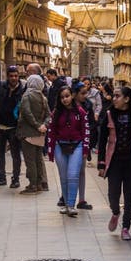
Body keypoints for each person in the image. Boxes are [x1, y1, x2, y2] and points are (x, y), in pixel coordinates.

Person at [98, 85, 131, 241]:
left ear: (127, 99)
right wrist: (101, 162)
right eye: (114, 96)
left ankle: (126, 227)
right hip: (114, 161)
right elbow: (102, 140)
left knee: (129, 197)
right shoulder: (109, 114)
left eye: (117, 96)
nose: (114, 99)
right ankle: (115, 212)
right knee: (113, 194)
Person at [48, 85, 89, 217]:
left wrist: (85, 149)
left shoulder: (81, 112)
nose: (65, 99)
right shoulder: (55, 113)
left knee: (72, 175)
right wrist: (51, 150)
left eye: (67, 96)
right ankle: (66, 204)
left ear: (72, 96)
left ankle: (71, 205)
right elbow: (52, 132)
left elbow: (85, 132)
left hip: (77, 145)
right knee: (64, 177)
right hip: (60, 146)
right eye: (62, 97)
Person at [16, 74, 51, 193]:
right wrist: (43, 126)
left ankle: (33, 184)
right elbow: (48, 115)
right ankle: (40, 183)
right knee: (38, 159)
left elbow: (26, 112)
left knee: (30, 160)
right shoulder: (43, 97)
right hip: (40, 134)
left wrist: (36, 125)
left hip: (28, 132)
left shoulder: (27, 95)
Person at [71, 80, 95, 210]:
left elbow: (92, 124)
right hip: (68, 143)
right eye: (82, 93)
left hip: (82, 142)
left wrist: (86, 137)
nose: (85, 96)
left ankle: (81, 199)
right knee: (70, 173)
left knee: (81, 171)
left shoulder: (88, 106)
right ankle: (67, 197)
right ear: (74, 94)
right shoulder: (67, 105)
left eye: (86, 93)